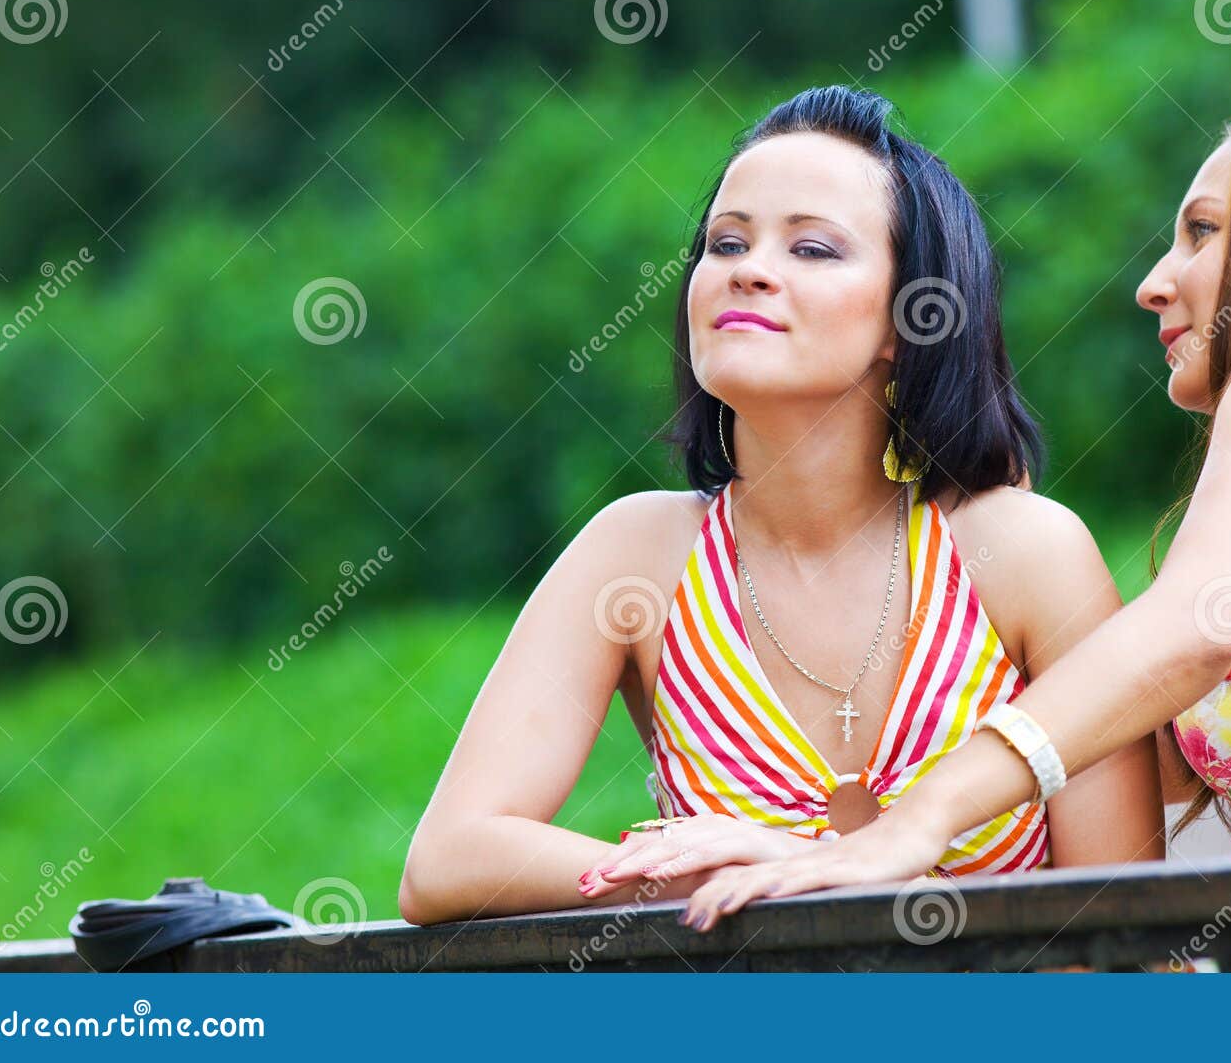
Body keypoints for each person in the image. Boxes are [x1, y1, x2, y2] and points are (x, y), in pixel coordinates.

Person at [678, 105, 1231, 934]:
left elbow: (1195, 629)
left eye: (1202, 232)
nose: (1154, 283)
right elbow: (1109, 756)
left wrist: (914, 822)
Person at [397, 85, 1164, 925]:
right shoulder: (639, 552)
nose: (748, 269)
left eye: (813, 248)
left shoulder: (1023, 553)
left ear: (908, 318)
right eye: (726, 242)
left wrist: (826, 875)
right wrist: (707, 872)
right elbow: (448, 859)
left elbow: (1125, 936)